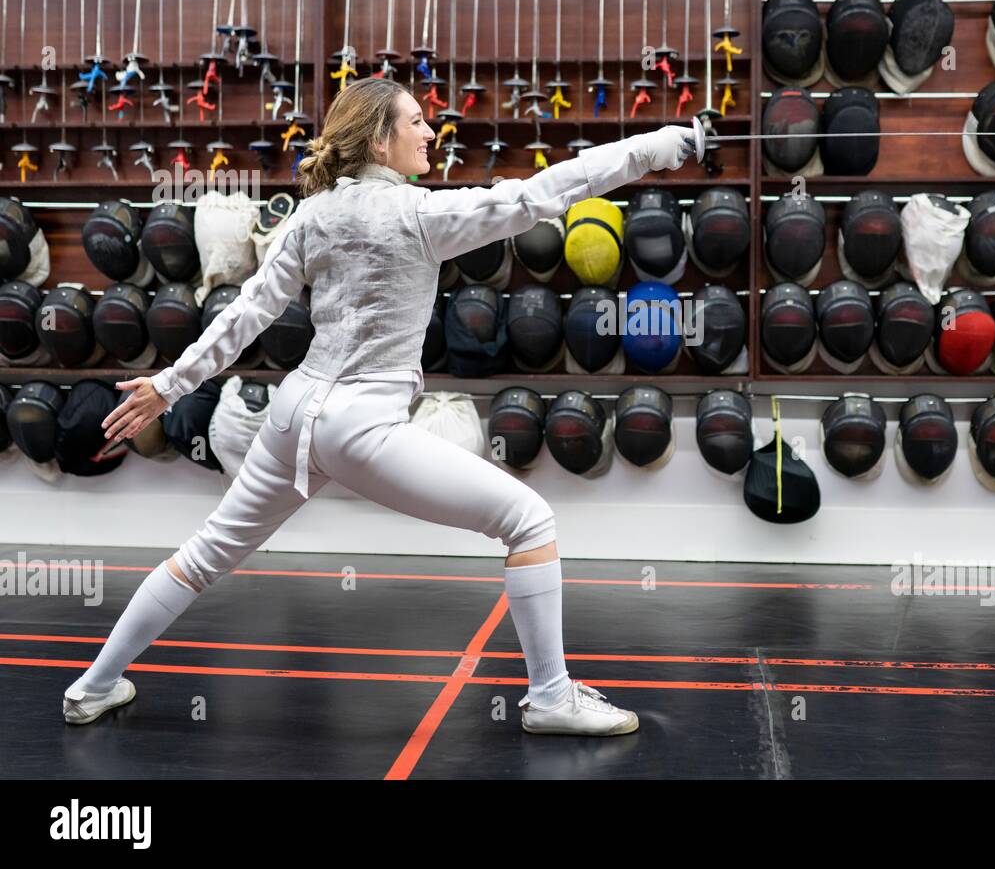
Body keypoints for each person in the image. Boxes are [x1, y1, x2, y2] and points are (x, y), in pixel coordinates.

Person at [63, 77, 696, 736]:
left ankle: (92, 687)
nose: (430, 132)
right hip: (360, 424)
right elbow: (545, 192)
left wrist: (170, 383)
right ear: (378, 137)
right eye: (417, 122)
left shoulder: (311, 214)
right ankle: (549, 697)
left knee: (204, 553)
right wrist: (656, 145)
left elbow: (249, 311)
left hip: (295, 410)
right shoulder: (421, 214)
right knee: (530, 521)